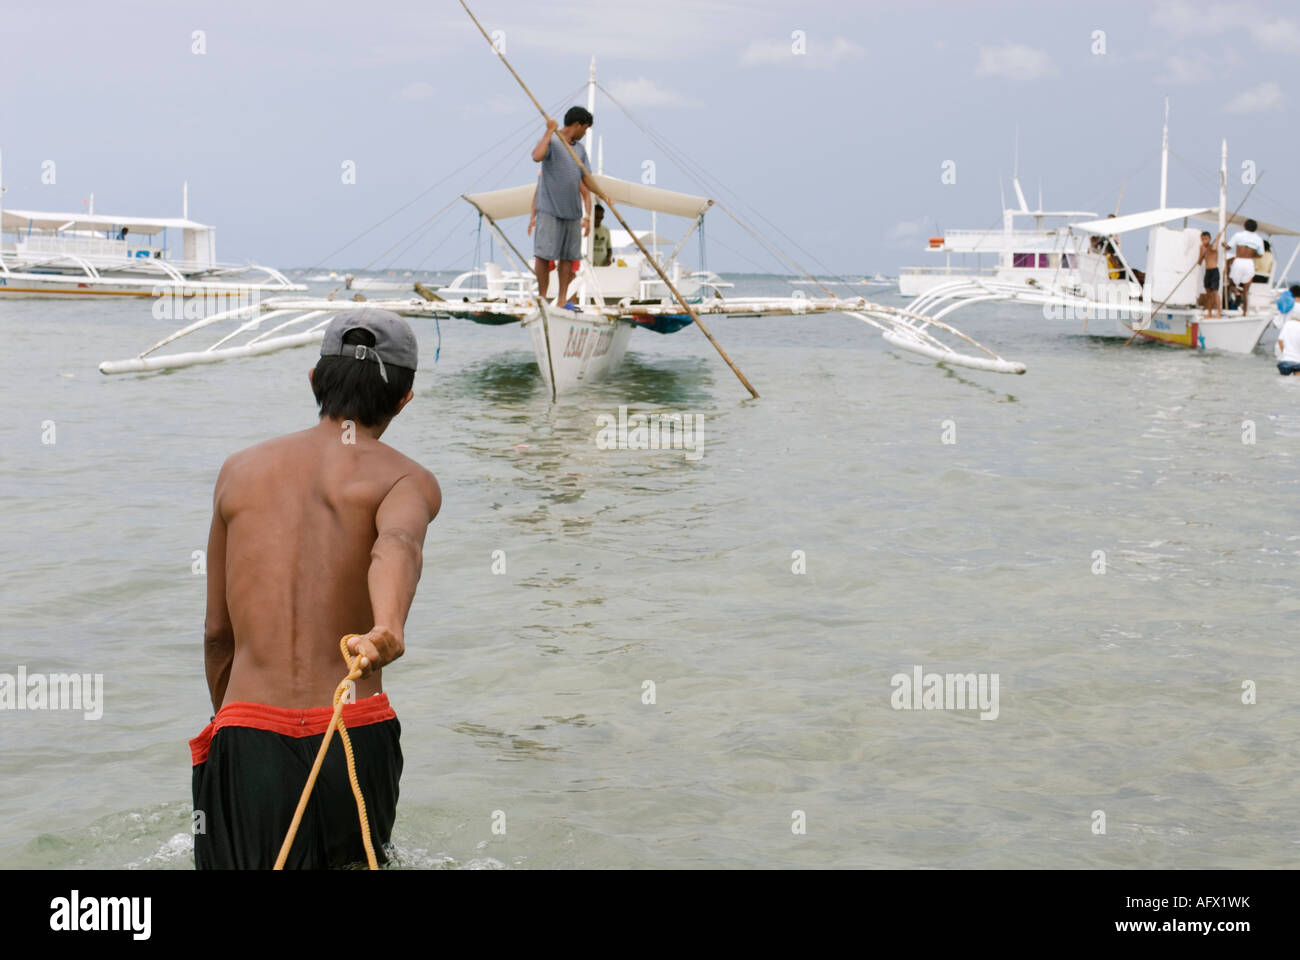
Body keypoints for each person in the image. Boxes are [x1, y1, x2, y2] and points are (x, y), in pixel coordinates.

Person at [191, 308, 442, 869]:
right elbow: (398, 543)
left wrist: (233, 730)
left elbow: (216, 634)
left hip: (247, 732)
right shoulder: (405, 478)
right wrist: (386, 629)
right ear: (403, 399)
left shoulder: (239, 470)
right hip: (351, 730)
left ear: (313, 380)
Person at [531, 106, 594, 310]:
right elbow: (536, 156)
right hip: (549, 209)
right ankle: (542, 297)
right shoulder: (554, 142)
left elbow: (587, 180)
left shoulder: (580, 150)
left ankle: (561, 298)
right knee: (544, 254)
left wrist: (603, 195)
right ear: (577, 125)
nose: (585, 133)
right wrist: (549, 130)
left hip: (572, 212)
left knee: (568, 257)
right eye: (585, 128)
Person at [1225, 218, 1265, 314]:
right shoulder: (1259, 239)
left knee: (1231, 284)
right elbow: (1261, 254)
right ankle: (1244, 312)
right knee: (1246, 290)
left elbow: (1228, 247)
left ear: (1244, 225)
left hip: (1239, 261)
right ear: (1255, 228)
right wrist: (1251, 255)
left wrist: (1223, 244)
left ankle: (1237, 293)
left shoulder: (1238, 235)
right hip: (1249, 263)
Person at [1197, 230, 1221, 318]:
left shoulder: (1212, 246)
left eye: (1206, 239)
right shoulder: (1202, 248)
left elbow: (1215, 244)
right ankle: (1209, 313)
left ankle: (1218, 312)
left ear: (1209, 239)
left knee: (1215, 292)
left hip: (1214, 271)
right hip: (1207, 272)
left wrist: (1218, 237)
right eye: (1202, 239)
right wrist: (1202, 254)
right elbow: (1199, 262)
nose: (1204, 241)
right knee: (1208, 294)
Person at [1277, 285, 1300, 375]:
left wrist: (1284, 352)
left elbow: (1276, 325)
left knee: (1283, 380)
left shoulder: (1286, 307)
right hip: (1297, 360)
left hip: (1284, 357)